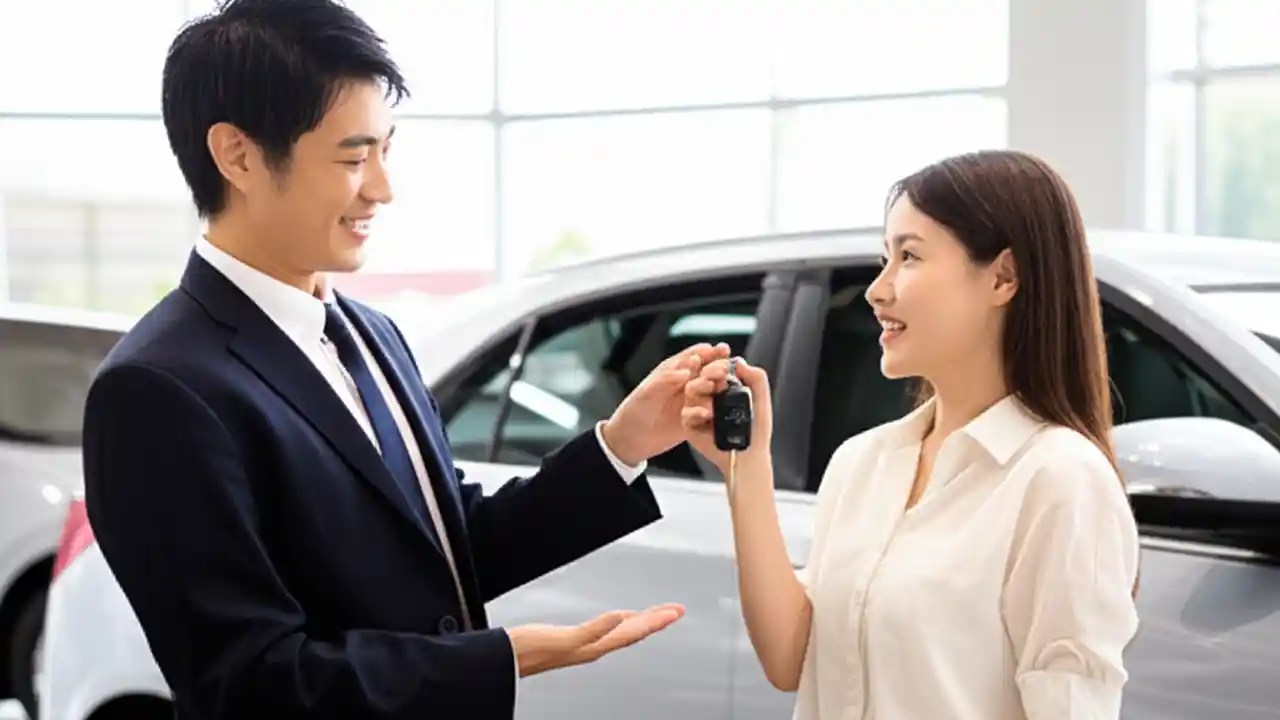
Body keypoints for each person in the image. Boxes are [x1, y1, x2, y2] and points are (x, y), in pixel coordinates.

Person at [81, 1, 729, 718]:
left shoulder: (372, 333)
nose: (382, 188)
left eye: (386, 151)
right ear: (237, 154)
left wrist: (622, 445)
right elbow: (250, 683)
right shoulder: (158, 388)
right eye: (354, 158)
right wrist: (506, 657)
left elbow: (442, 547)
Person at [682, 150, 1141, 719]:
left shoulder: (1061, 478)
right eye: (885, 258)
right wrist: (744, 471)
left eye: (910, 257)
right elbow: (789, 660)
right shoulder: (865, 462)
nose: (878, 289)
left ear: (1003, 277)